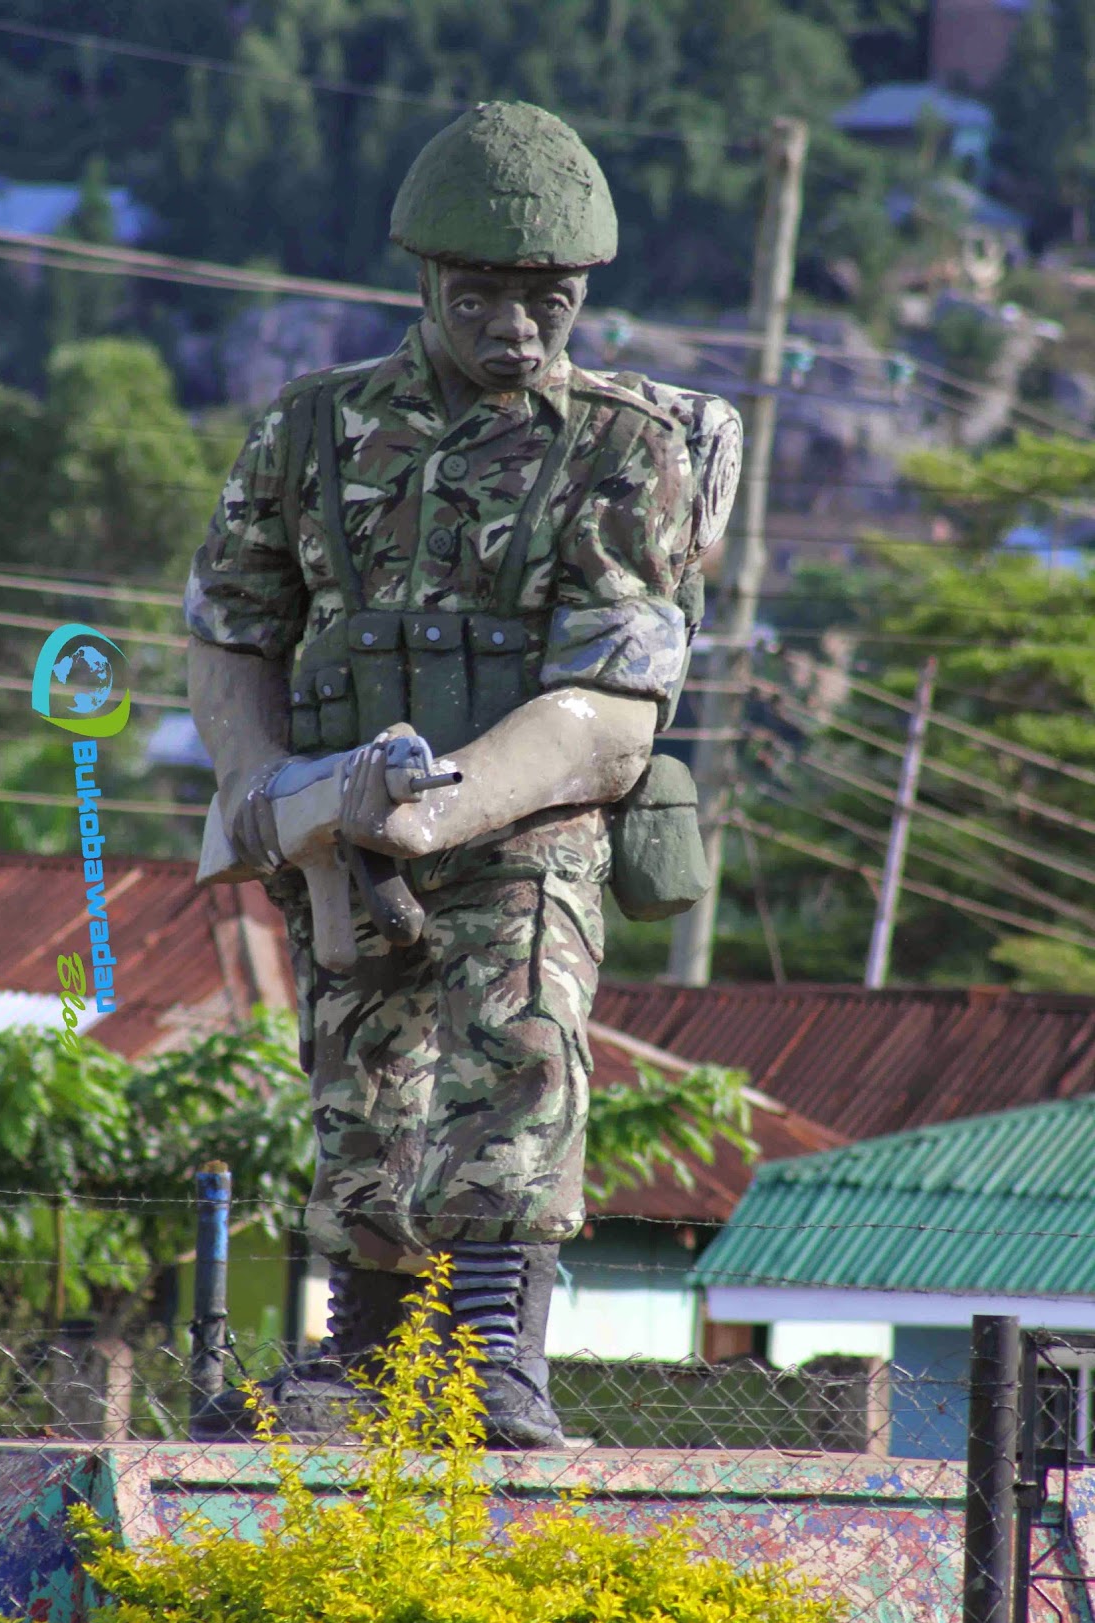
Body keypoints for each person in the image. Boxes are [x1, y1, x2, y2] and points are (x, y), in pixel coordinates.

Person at [185, 99, 741, 1446]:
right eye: (484, 296)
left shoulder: (623, 447)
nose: (515, 329)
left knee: (516, 1058)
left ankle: (491, 1353)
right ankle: (366, 1363)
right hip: (343, 830)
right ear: (426, 282)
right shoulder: (312, 433)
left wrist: (435, 809)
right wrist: (272, 794)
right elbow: (230, 625)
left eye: (544, 300)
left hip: (525, 823)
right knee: (360, 1081)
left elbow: (614, 701)